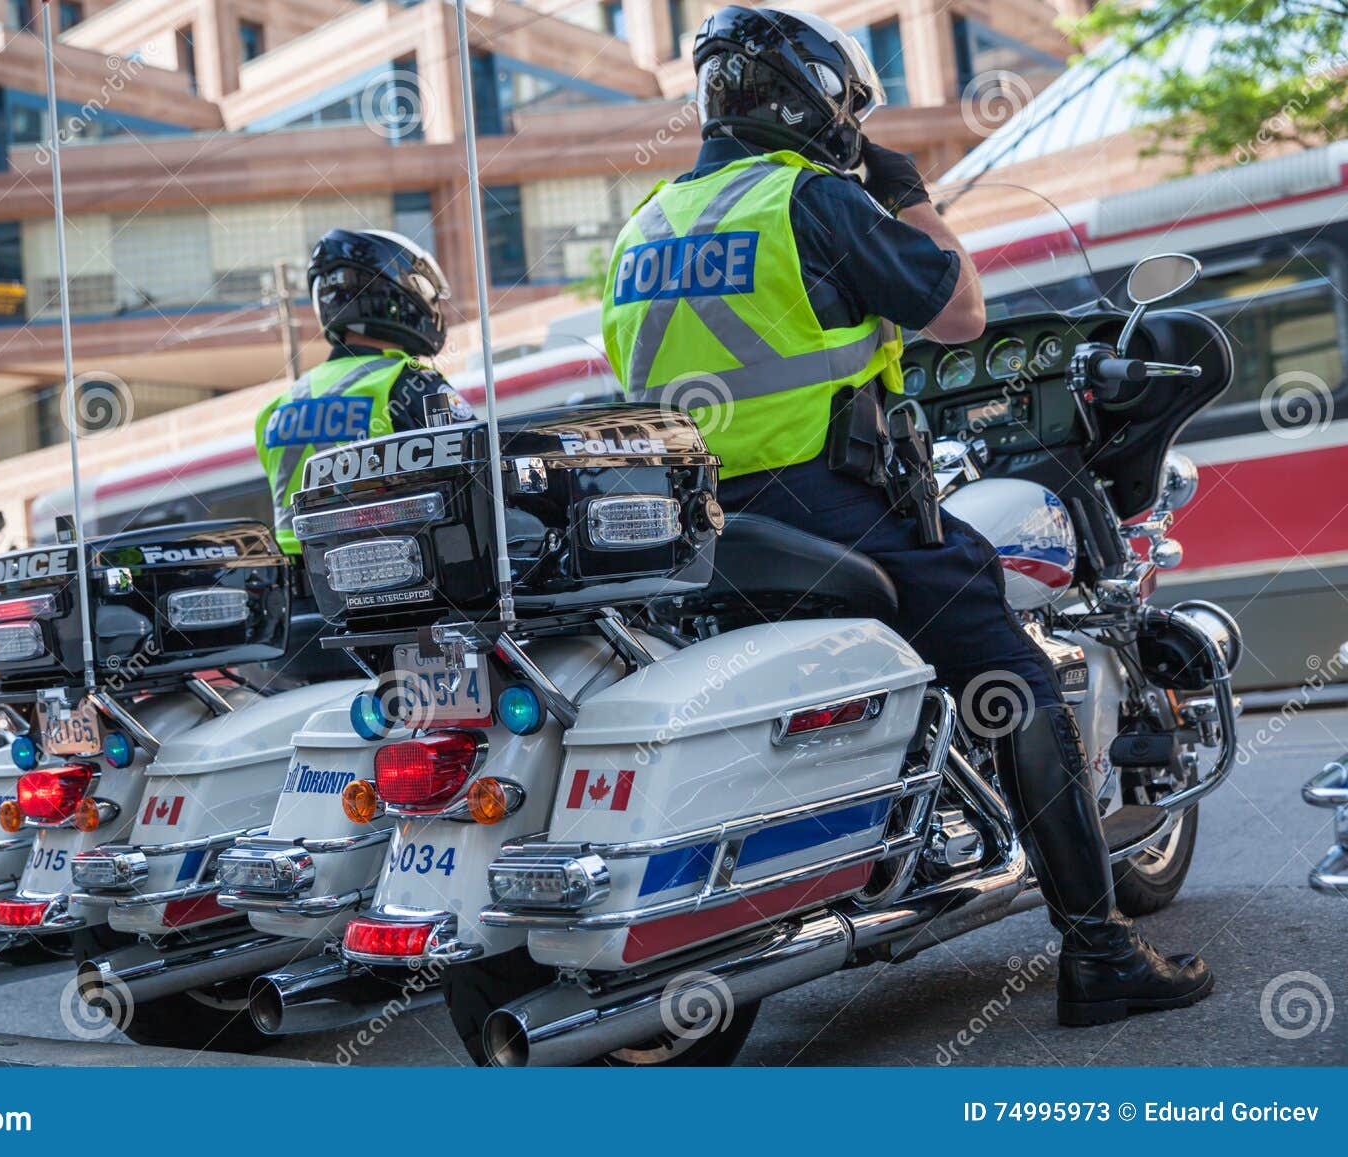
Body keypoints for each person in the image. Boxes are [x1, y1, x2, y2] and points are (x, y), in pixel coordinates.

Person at [599, 5, 1212, 1026]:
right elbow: (961, 313)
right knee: (1017, 679)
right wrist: (907, 193)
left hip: (696, 529)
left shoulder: (642, 228)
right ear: (818, 102)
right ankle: (1099, 950)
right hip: (831, 509)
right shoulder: (807, 200)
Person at [256, 228, 471, 554]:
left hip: (297, 581)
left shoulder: (275, 410)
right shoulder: (407, 381)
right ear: (399, 295)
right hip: (393, 573)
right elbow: (477, 474)